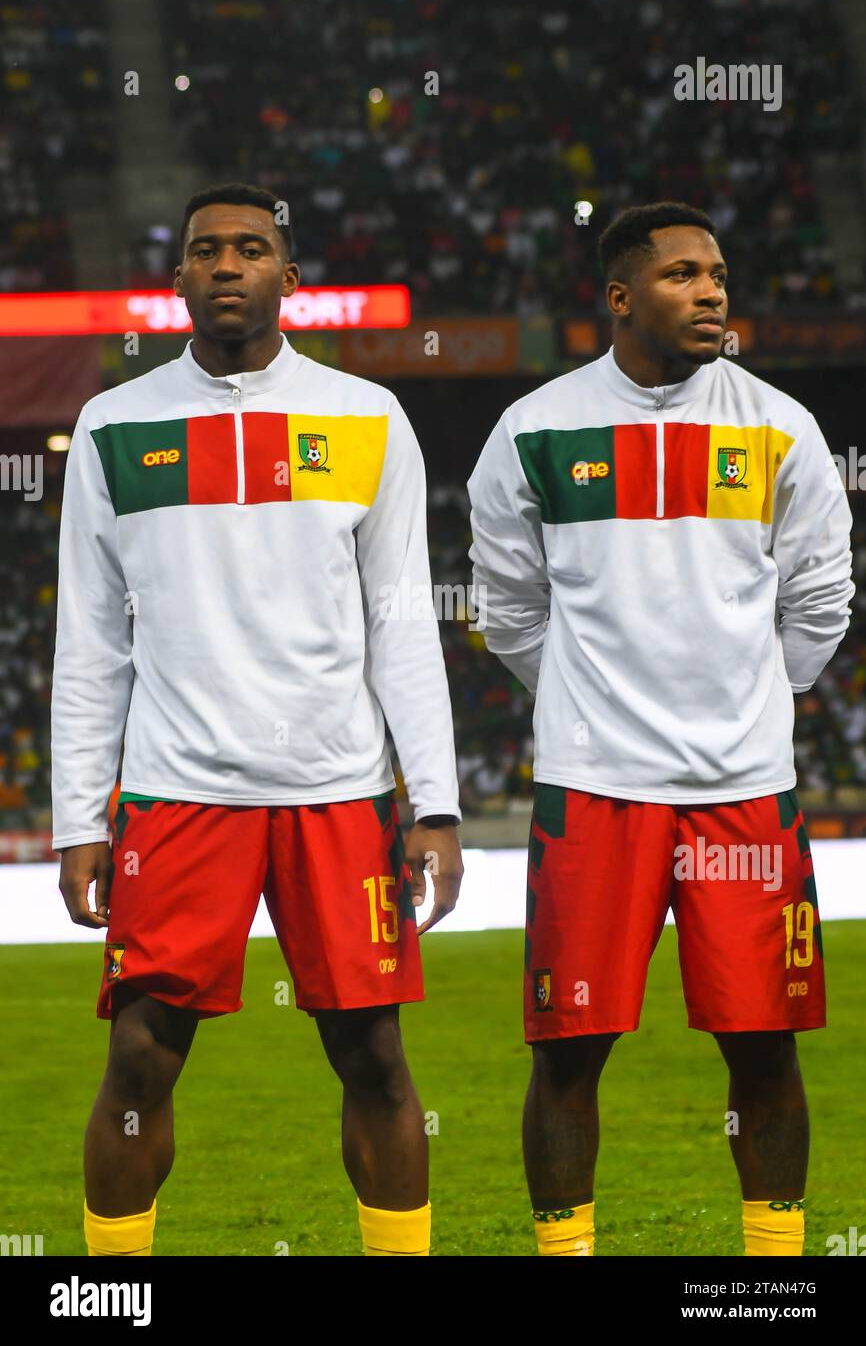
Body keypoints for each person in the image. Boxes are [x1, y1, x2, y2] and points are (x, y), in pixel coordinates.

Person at [52, 181, 463, 1258]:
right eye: (205, 250)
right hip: (180, 793)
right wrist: (77, 819)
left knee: (373, 1056)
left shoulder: (366, 418)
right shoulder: (113, 425)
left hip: (339, 792)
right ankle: (112, 1288)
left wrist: (438, 804)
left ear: (290, 275)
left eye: (250, 248)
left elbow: (403, 624)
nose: (226, 264)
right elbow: (90, 641)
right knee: (139, 1059)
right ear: (176, 278)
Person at [467, 201, 854, 1257]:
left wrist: (742, 703)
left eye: (718, 272)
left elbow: (820, 601)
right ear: (621, 296)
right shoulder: (533, 430)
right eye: (682, 274)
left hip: (743, 792)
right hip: (593, 796)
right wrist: (590, 707)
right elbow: (505, 608)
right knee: (568, 1051)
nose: (712, 291)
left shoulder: (778, 428)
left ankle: (770, 1274)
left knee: (763, 1048)